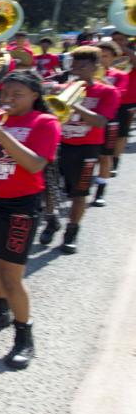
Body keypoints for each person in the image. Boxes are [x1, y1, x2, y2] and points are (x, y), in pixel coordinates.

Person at [0, 71, 61, 370]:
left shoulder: (45, 123)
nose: (7, 99)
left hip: (19, 205)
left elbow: (35, 164)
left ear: (35, 95)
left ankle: (24, 336)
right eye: (4, 94)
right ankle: (0, 311)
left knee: (12, 275)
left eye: (16, 94)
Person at [55, 46, 119, 254]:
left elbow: (100, 122)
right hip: (61, 145)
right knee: (50, 188)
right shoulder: (65, 87)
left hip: (87, 148)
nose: (77, 71)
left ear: (95, 67)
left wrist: (73, 104)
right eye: (74, 66)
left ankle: (72, 231)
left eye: (82, 66)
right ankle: (50, 220)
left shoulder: (108, 92)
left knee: (79, 193)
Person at [93, 41, 127, 206]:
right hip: (89, 120)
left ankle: (100, 192)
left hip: (110, 120)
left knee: (105, 157)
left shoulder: (119, 75)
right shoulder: (87, 73)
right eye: (99, 56)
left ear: (113, 58)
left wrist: (102, 80)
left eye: (105, 56)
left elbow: (119, 94)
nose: (101, 59)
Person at [111, 30, 136, 177]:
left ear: (127, 41)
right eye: (114, 40)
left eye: (120, 40)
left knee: (122, 133)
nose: (117, 42)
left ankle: (115, 161)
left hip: (128, 100)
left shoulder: (131, 54)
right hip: (110, 99)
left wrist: (126, 50)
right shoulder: (109, 55)